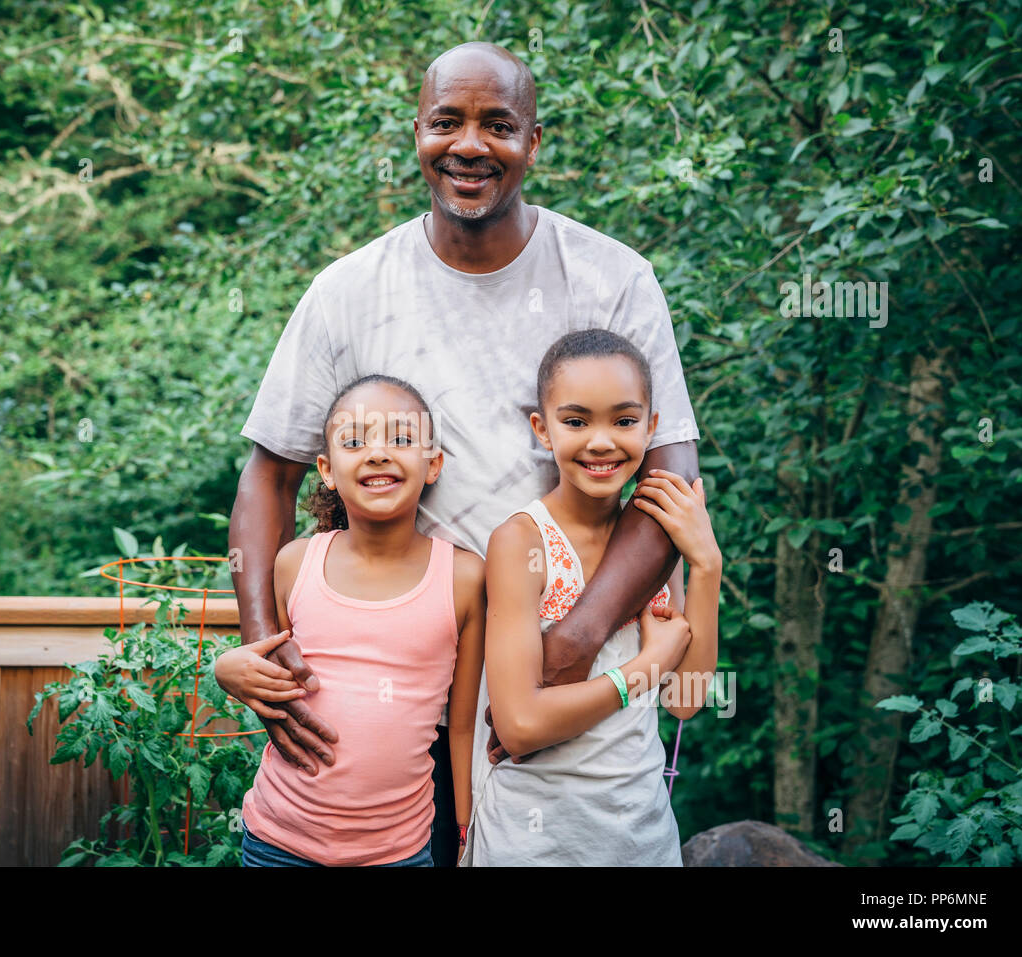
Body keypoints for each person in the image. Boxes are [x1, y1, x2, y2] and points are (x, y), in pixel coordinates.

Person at [224, 40, 702, 867]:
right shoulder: (349, 291)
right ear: (417, 133)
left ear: (534, 142)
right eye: (446, 122)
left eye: (498, 125)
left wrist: (579, 636)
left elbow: (671, 478)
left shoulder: (613, 278)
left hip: (565, 685)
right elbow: (269, 474)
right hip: (403, 684)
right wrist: (266, 644)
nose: (470, 145)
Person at [464, 330, 721, 865]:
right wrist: (645, 667)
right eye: (576, 421)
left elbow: (686, 700)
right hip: (532, 839)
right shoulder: (522, 542)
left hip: (638, 833)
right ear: (542, 429)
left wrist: (706, 564)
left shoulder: (657, 539)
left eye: (624, 421)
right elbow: (520, 724)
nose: (601, 442)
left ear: (651, 428)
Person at [214, 375, 486, 866]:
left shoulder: (463, 577)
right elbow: (265, 670)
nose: (378, 453)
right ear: (327, 470)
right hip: (278, 839)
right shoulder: (294, 564)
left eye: (401, 439)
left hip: (397, 851)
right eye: (355, 440)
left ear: (433, 464)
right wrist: (224, 669)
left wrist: (466, 827)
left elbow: (461, 725)